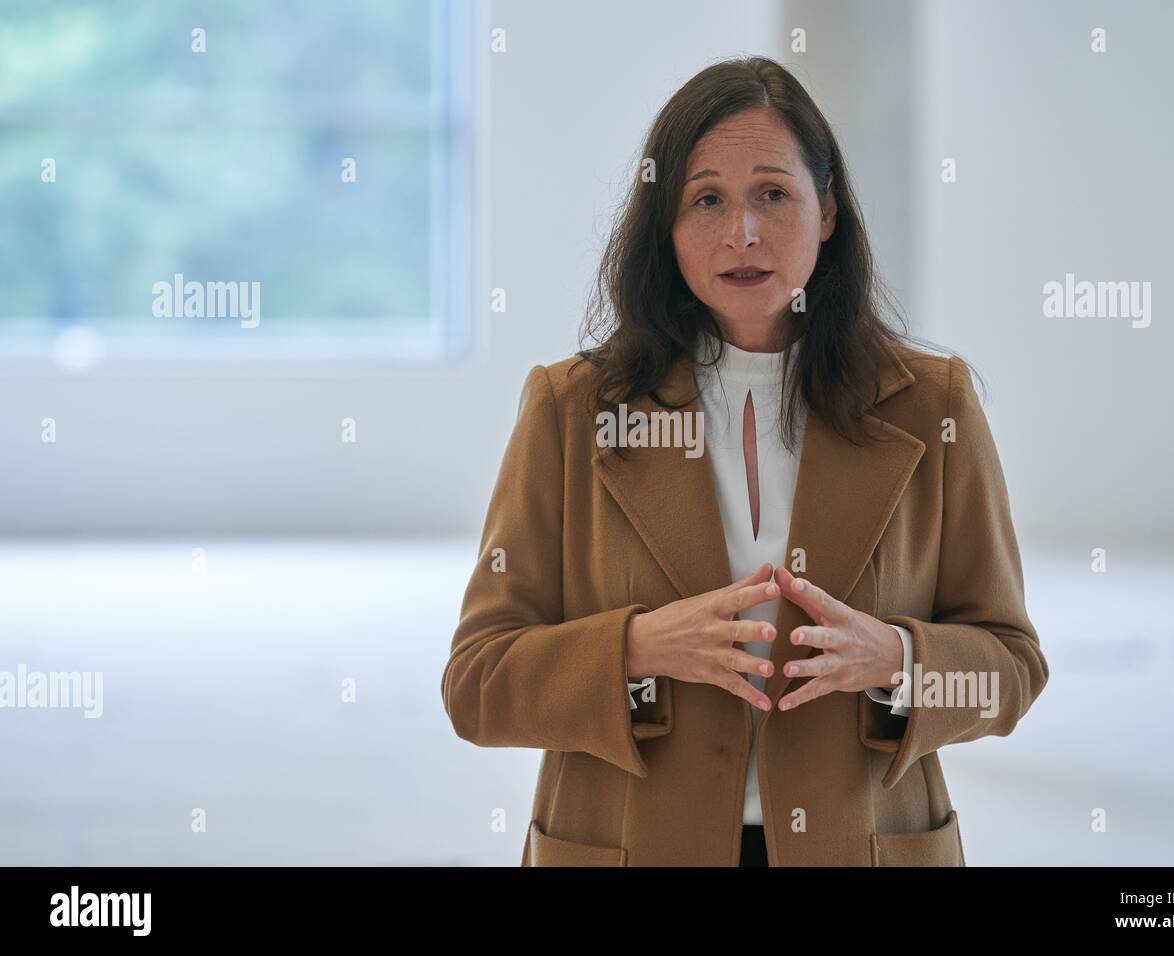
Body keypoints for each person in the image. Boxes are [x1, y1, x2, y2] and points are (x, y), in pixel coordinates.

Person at [442, 55, 1048, 867]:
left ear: (827, 209)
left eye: (773, 193)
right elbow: (478, 685)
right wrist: (636, 648)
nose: (743, 234)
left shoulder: (934, 405)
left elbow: (1010, 668)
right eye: (707, 200)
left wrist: (896, 658)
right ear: (667, 223)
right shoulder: (572, 410)